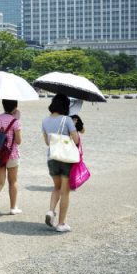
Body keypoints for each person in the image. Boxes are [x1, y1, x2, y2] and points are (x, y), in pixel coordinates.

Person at [42, 94, 81, 232]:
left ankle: (51, 211)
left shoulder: (45, 120)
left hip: (52, 158)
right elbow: (76, 140)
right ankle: (61, 223)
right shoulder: (67, 120)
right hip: (66, 159)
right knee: (65, 192)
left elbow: (47, 142)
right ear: (65, 106)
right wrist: (73, 128)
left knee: (56, 187)